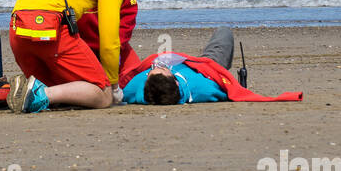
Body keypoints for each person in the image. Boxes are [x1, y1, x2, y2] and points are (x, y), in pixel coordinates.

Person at [121, 28, 304, 104]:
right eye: (160, 69)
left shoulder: (133, 90)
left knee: (122, 47)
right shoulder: (203, 89)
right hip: (204, 68)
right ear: (176, 83)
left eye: (152, 71)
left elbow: (120, 91)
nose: (154, 67)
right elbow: (228, 89)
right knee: (223, 33)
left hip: (189, 66)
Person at [78, 0, 139, 78]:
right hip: (79, 48)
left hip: (113, 45)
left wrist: (117, 46)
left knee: (136, 78)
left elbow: (128, 12)